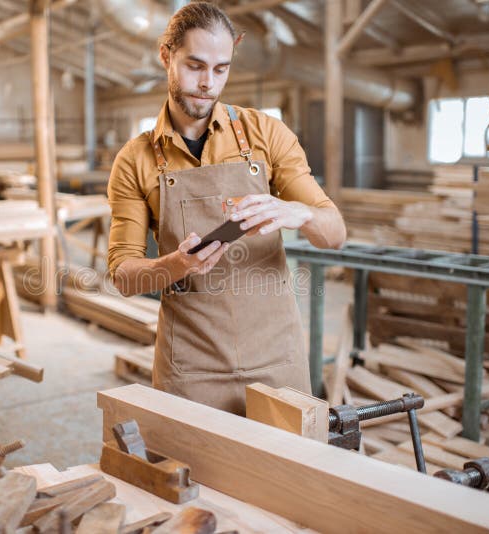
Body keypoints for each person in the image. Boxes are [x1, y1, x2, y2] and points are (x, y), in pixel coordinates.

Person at [107, 2, 346, 415]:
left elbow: (335, 234)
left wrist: (299, 213)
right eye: (195, 66)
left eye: (221, 69)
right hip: (191, 366)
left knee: (288, 475)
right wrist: (176, 265)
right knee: (190, 474)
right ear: (166, 56)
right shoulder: (136, 160)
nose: (207, 84)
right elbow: (123, 275)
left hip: (277, 359)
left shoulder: (266, 134)